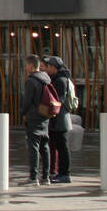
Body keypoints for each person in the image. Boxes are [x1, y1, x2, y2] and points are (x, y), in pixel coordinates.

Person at [21, 55, 53, 185]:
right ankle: (46, 177)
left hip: (33, 116)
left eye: (26, 65)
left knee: (33, 146)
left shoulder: (31, 81)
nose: (26, 68)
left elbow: (27, 101)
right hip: (45, 115)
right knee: (44, 146)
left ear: (30, 65)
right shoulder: (46, 79)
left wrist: (22, 113)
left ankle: (33, 177)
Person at [44, 55, 74, 183]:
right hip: (59, 118)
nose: (47, 69)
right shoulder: (59, 78)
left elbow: (57, 100)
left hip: (60, 119)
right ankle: (62, 173)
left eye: (49, 67)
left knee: (62, 147)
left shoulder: (60, 80)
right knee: (60, 146)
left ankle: (65, 174)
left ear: (54, 67)